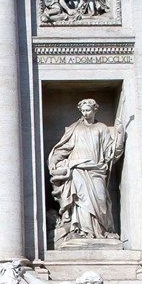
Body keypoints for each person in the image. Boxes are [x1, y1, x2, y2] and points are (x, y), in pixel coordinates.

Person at [47, 98, 125, 241]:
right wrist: (54, 160)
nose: (85, 113)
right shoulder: (75, 128)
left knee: (101, 201)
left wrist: (119, 135)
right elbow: (63, 148)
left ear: (95, 110)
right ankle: (84, 231)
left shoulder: (101, 128)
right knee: (81, 201)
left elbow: (111, 152)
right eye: (83, 111)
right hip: (77, 169)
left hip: (97, 170)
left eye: (88, 110)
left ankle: (101, 231)